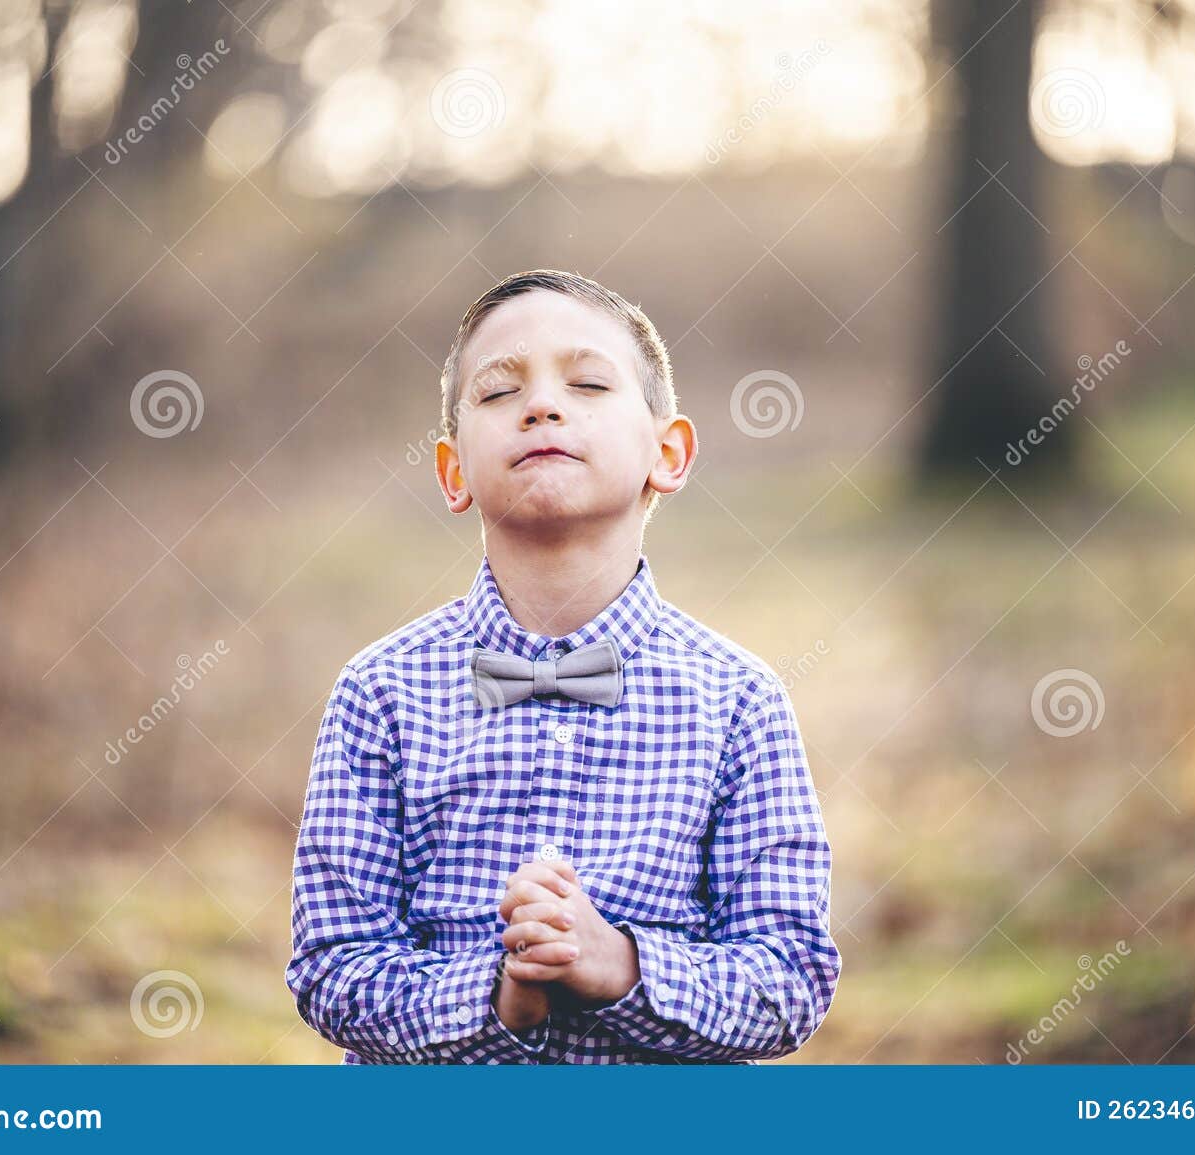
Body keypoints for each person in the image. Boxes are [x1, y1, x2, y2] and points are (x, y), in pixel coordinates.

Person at [285, 268, 840, 1063]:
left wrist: (614, 963)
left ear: (668, 452)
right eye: (499, 392)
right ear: (452, 472)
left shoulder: (739, 700)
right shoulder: (380, 692)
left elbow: (788, 980)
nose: (542, 405)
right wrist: (498, 994)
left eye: (586, 382)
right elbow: (333, 968)